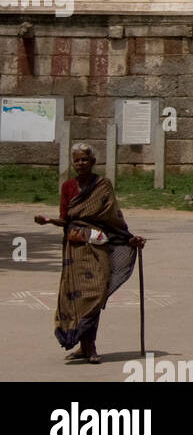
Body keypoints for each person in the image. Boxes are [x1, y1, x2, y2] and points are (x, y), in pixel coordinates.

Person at [33, 145, 145, 364]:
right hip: (74, 250)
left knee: (95, 294)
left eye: (84, 160)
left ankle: (89, 345)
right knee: (76, 297)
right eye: (76, 160)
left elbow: (113, 218)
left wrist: (128, 238)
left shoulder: (103, 186)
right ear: (72, 163)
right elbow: (65, 219)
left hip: (98, 248)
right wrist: (48, 220)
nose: (80, 164)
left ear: (93, 162)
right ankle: (85, 346)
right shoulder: (68, 187)